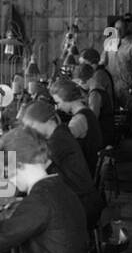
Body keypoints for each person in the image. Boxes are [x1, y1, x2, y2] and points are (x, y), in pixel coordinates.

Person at [20, 99, 105, 231]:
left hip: (81, 207)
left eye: (32, 125)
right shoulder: (60, 133)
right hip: (79, 199)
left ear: (48, 121)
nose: (30, 131)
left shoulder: (59, 141)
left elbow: (36, 167)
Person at [49, 77, 102, 173]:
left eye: (58, 102)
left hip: (84, 172)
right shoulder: (87, 112)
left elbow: (61, 142)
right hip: (88, 166)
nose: (58, 107)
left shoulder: (79, 119)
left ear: (67, 98)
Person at [78, 48, 117, 145]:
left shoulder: (99, 76)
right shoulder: (98, 73)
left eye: (83, 63)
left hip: (103, 129)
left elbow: (94, 115)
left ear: (90, 63)